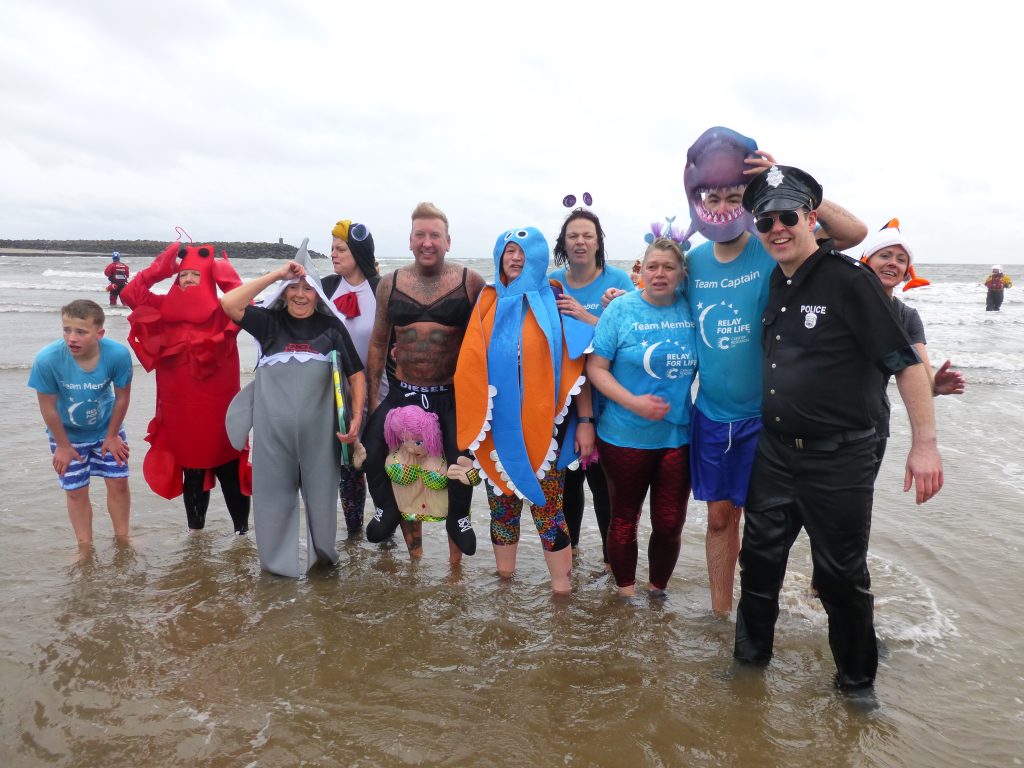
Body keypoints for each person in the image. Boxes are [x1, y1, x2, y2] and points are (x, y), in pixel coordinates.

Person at [732, 165, 943, 692]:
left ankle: (856, 686)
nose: (776, 228)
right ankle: (748, 667)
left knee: (843, 578)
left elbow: (907, 364)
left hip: (840, 459)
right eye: (765, 221)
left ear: (809, 219)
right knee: (758, 569)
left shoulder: (851, 281)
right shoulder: (776, 283)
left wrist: (925, 446)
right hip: (776, 453)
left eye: (787, 217)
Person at [682, 135, 868, 617]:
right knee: (721, 519)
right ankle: (723, 616)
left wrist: (783, 177)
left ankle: (798, 605)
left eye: (734, 197)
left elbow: (853, 234)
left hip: (770, 419)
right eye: (713, 197)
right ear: (702, 203)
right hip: (712, 415)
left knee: (779, 525)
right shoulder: (693, 261)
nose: (723, 205)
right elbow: (657, 307)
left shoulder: (772, 246)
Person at [454, 227, 594, 594]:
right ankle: (505, 587)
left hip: (543, 429)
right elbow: (468, 368)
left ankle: (562, 590)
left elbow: (577, 362)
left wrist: (585, 421)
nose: (515, 258)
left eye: (523, 251)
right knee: (502, 510)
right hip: (496, 430)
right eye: (508, 251)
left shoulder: (555, 301)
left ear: (537, 257)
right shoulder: (487, 303)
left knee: (548, 511)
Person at [221, 243, 366, 578]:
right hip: (273, 437)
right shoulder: (267, 323)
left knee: (321, 505)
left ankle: (324, 571)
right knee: (272, 505)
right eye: (294, 288)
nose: (301, 295)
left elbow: (355, 374)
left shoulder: (331, 328)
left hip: (320, 437)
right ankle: (276, 575)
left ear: (317, 294)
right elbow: (229, 303)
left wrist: (356, 417)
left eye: (308, 288)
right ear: (283, 293)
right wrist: (279, 273)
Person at [363, 202, 485, 561]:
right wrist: (374, 404)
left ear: (448, 241)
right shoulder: (391, 284)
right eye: (420, 235)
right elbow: (377, 343)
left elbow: (488, 338)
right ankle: (385, 509)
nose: (427, 242)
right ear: (410, 240)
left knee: (459, 463)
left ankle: (459, 519)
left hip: (450, 394)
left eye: (435, 235)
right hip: (403, 393)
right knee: (371, 453)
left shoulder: (469, 282)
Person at [585, 237, 698, 597]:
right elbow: (596, 368)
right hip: (623, 435)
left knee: (669, 523)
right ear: (641, 271)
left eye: (668, 267)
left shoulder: (691, 309)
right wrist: (634, 402)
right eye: (653, 266)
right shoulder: (620, 310)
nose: (660, 274)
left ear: (682, 273)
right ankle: (625, 595)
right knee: (624, 519)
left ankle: (657, 594)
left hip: (677, 436)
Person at [120, 241, 250, 534]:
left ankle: (242, 535)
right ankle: (196, 537)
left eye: (196, 275)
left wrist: (223, 272)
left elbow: (246, 303)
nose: (189, 279)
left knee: (229, 469)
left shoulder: (223, 310)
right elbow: (130, 293)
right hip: (181, 410)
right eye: (183, 275)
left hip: (219, 410)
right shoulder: (163, 308)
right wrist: (162, 266)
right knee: (192, 470)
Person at [549, 208, 634, 567]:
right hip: (563, 402)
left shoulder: (618, 282)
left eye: (587, 235)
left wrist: (588, 318)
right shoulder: (552, 281)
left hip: (608, 402)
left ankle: (612, 562)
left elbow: (633, 340)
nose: (580, 242)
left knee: (605, 489)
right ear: (563, 243)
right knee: (567, 486)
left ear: (599, 242)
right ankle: (574, 562)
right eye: (573, 236)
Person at [861, 221, 966, 472]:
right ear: (866, 261)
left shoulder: (907, 317)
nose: (892, 263)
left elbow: (919, 374)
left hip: (872, 427)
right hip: (825, 425)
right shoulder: (842, 303)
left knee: (855, 508)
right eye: (884, 255)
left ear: (907, 270)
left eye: (900, 259)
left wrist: (935, 386)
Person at [28, 299, 133, 545]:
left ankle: (123, 538)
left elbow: (122, 397)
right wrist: (63, 446)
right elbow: (48, 407)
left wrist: (112, 435)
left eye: (81, 332)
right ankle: (85, 546)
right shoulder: (47, 359)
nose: (71, 338)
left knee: (118, 483)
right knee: (75, 491)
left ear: (100, 333)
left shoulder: (117, 355)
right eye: (67, 330)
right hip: (67, 435)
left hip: (107, 428)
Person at [321, 219, 385, 535]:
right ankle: (354, 537)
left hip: (379, 389)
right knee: (349, 466)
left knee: (379, 463)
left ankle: (387, 533)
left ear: (357, 251)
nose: (333, 254)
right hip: (337, 393)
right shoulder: (326, 287)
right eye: (332, 248)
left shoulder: (381, 288)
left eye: (340, 249)